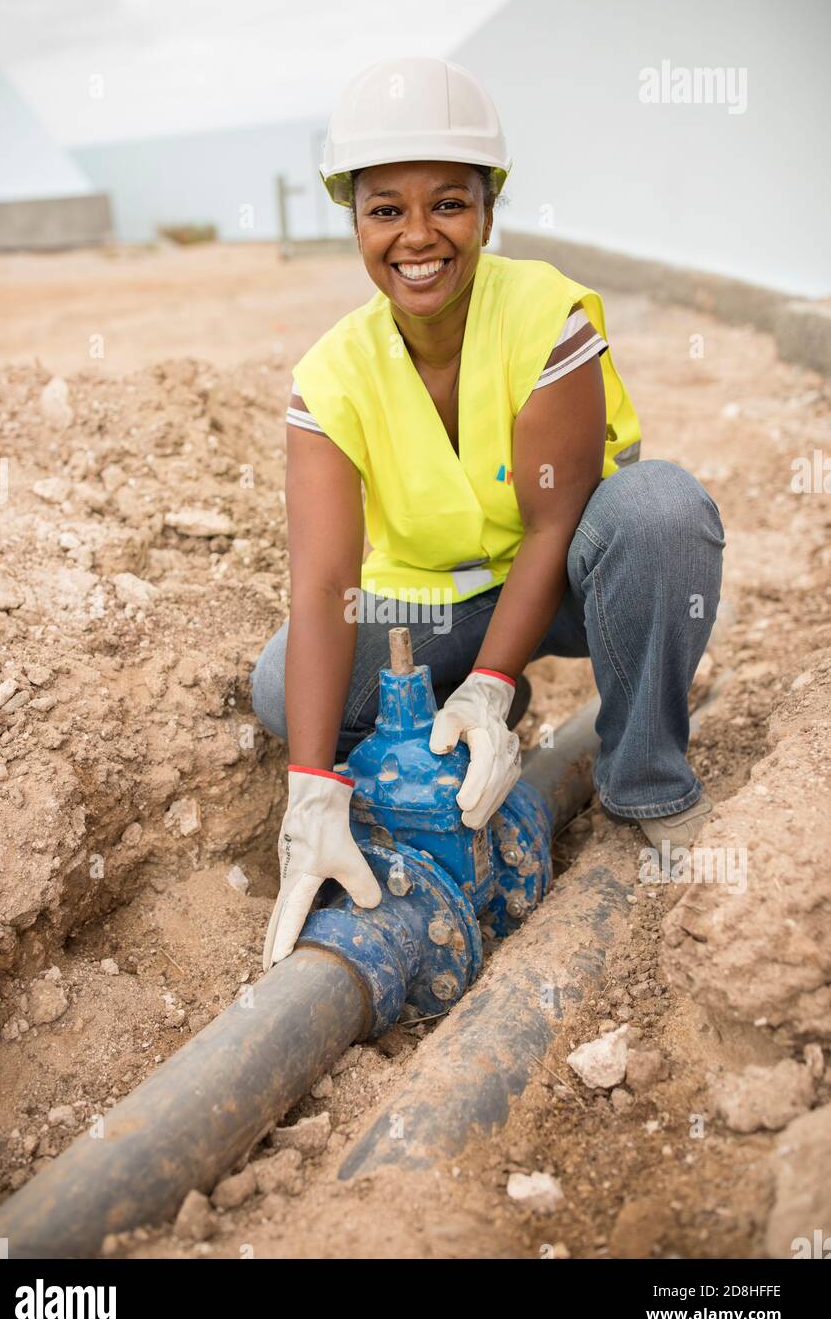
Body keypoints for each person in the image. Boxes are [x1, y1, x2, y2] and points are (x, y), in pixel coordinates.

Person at [252, 56, 725, 970]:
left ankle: (645, 782)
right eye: (386, 208)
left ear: (489, 210)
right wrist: (308, 790)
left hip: (579, 582)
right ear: (354, 221)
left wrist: (491, 684)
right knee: (283, 685)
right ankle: (416, 774)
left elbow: (555, 524)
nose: (418, 235)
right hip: (437, 613)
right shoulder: (331, 375)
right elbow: (321, 586)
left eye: (449, 204)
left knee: (662, 511)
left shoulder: (542, 315)